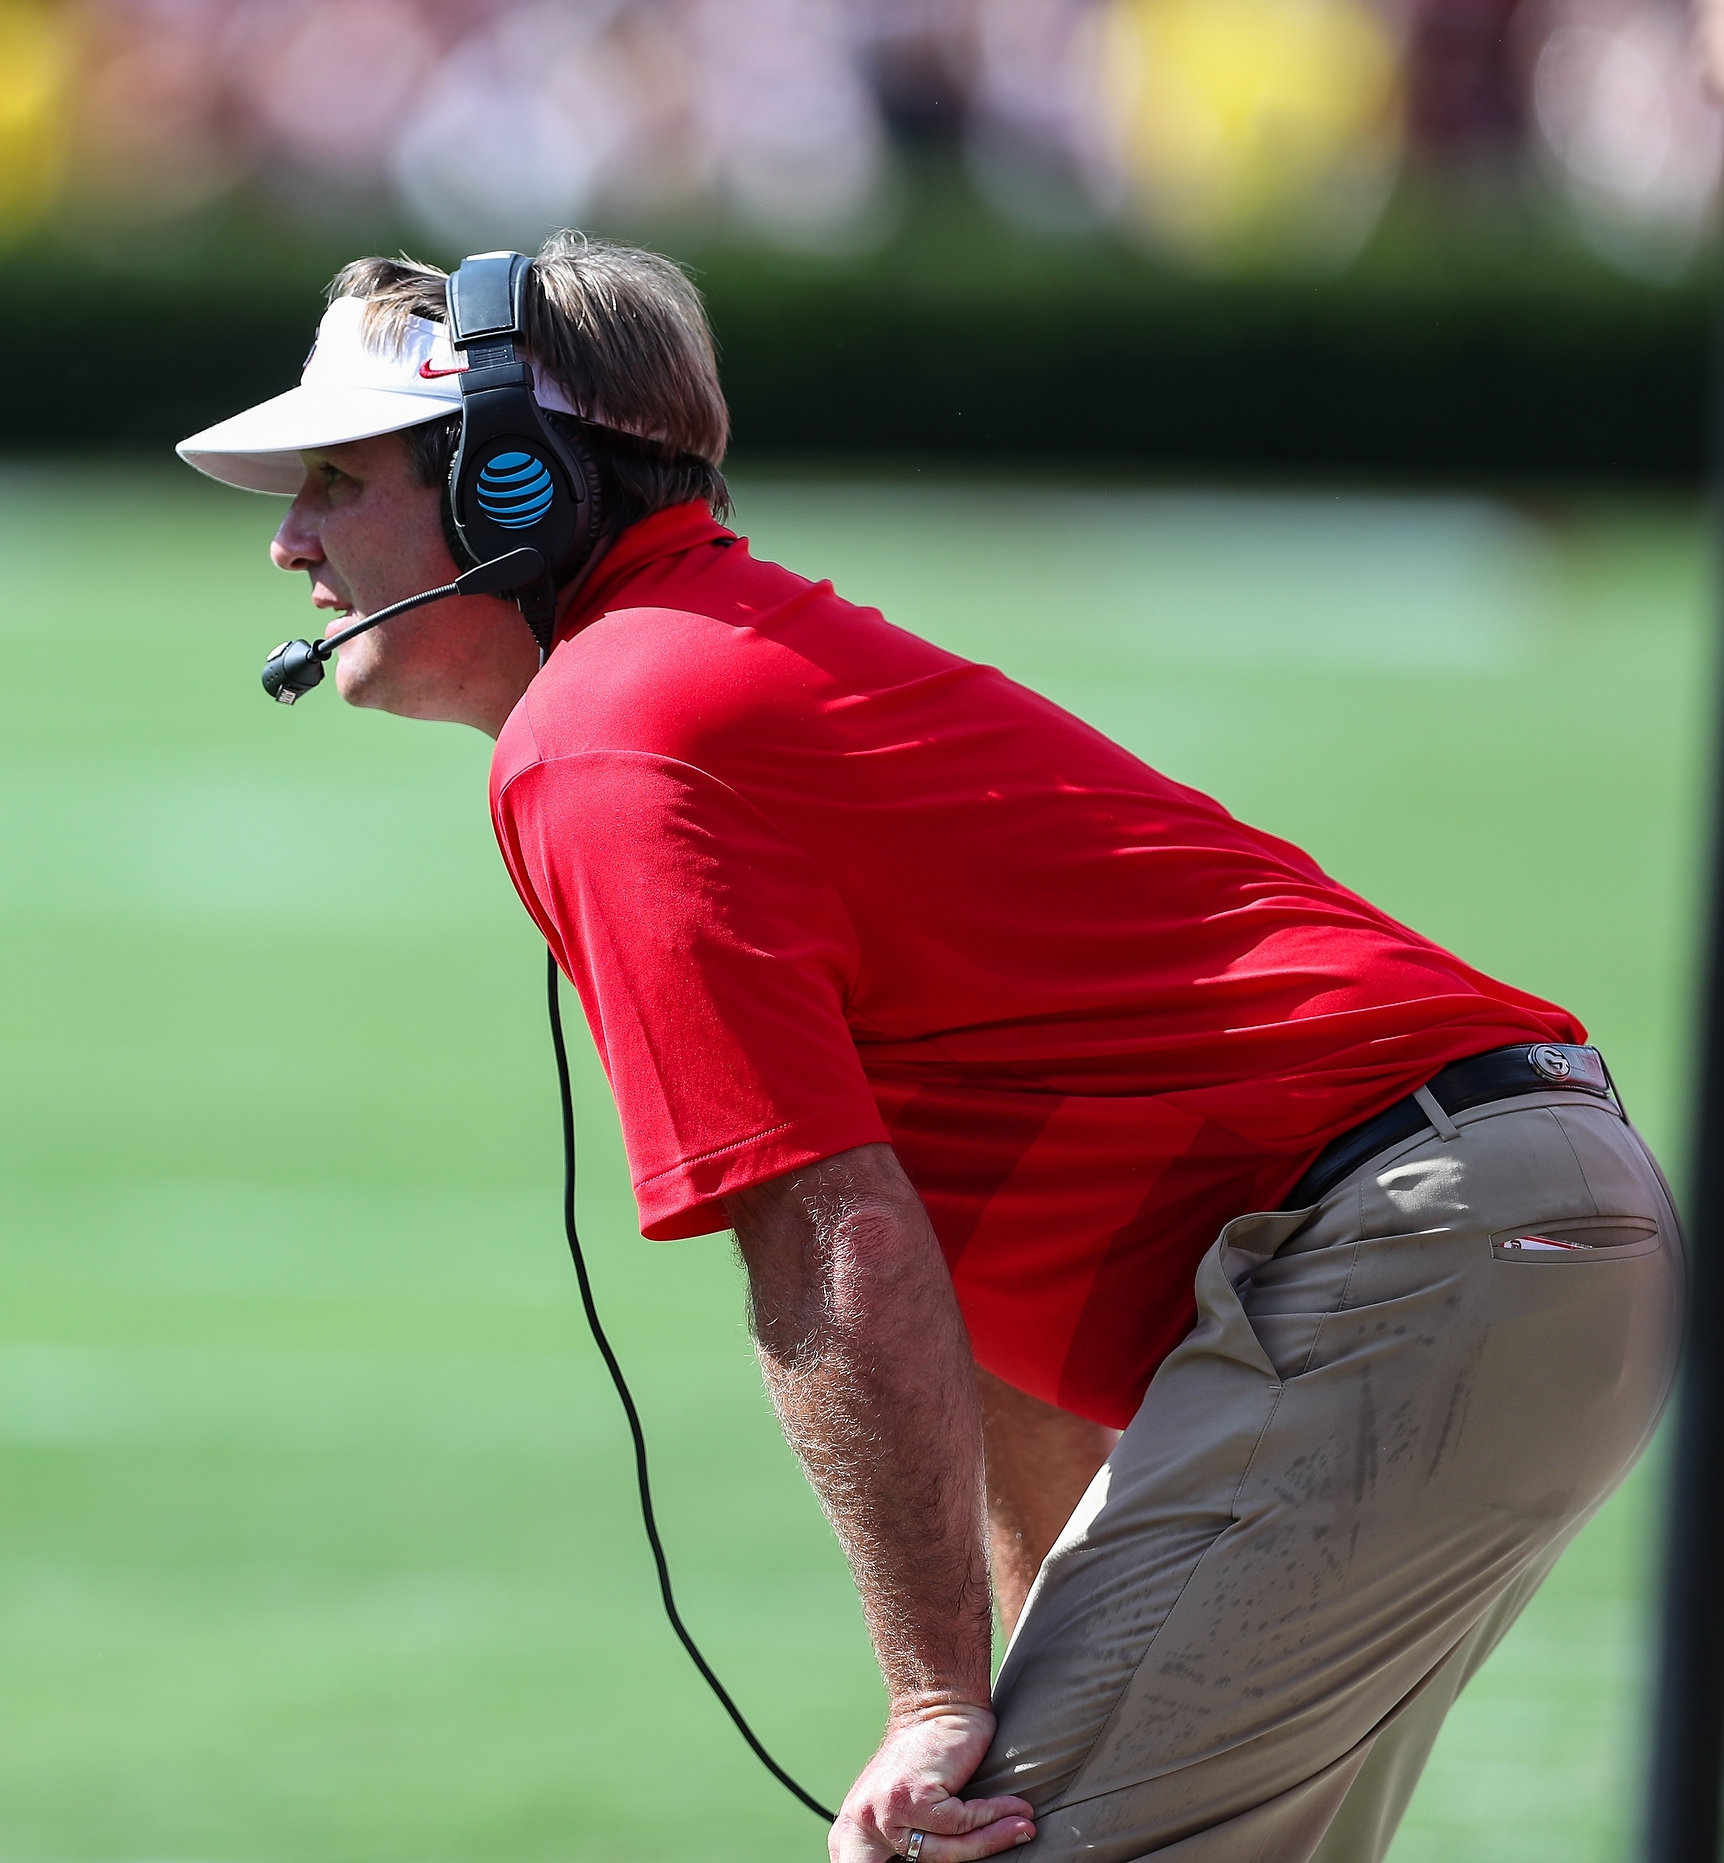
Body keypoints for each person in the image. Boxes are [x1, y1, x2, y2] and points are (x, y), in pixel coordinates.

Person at [174, 231, 1684, 1863]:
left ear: (511, 489)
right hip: (1487, 1236)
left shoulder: (611, 735)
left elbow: (834, 1238)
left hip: (1418, 1255)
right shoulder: (693, 667)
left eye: (335, 477)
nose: (291, 545)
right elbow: (978, 1248)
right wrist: (1009, 1671)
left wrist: (932, 1700)